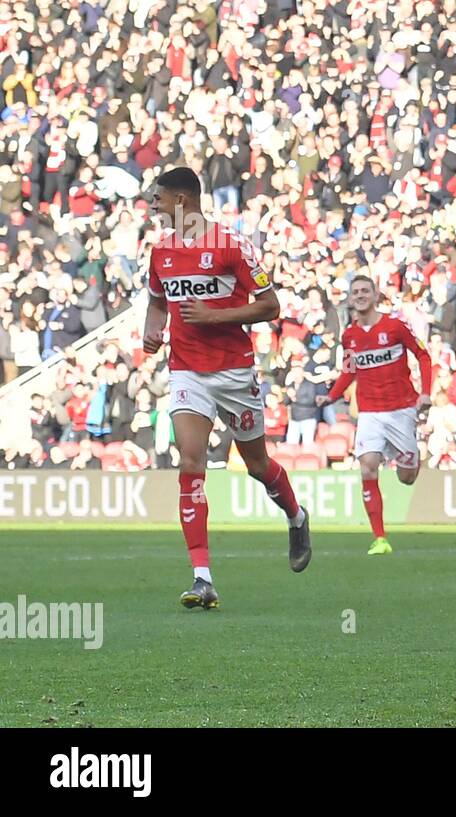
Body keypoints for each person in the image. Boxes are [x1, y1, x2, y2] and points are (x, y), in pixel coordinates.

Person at [141, 167, 310, 611]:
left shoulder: (231, 244)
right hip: (187, 371)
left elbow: (271, 306)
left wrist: (215, 317)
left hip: (234, 372)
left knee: (257, 465)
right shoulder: (160, 251)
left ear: (181, 200)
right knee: (190, 460)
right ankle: (202, 578)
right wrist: (152, 330)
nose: (153, 206)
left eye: (158, 199)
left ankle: (296, 516)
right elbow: (157, 302)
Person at [318, 276, 432, 555]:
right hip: (369, 411)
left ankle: (411, 457)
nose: (360, 295)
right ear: (350, 298)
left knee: (407, 478)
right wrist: (332, 396)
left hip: (401, 408)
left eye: (365, 291)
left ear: (375, 294)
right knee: (368, 465)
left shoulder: (395, 326)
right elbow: (349, 371)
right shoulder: (350, 336)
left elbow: (423, 355)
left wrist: (425, 393)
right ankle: (380, 537)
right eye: (355, 291)